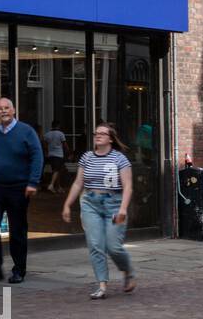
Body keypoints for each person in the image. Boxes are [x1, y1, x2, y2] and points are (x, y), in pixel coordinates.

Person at [62, 123, 137, 299]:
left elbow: (128, 187)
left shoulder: (120, 159)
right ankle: (101, 285)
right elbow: (78, 183)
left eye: (102, 134)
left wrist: (123, 209)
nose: (98, 136)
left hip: (114, 204)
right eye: (96, 133)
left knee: (113, 246)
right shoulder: (87, 157)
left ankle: (128, 271)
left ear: (110, 138)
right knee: (95, 245)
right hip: (90, 204)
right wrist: (67, 204)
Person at [0, 97, 42, 284]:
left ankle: (19, 270)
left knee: (17, 230)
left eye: (6, 108)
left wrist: (33, 182)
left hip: (18, 189)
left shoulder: (26, 132)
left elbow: (37, 157)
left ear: (13, 111)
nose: (3, 111)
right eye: (0, 109)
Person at [42, 121, 68, 193]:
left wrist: (47, 151)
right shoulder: (60, 134)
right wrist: (69, 152)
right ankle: (51, 185)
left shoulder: (47, 134)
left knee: (55, 171)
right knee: (57, 170)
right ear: (58, 126)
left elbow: (44, 145)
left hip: (51, 155)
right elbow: (65, 145)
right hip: (59, 154)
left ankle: (58, 187)